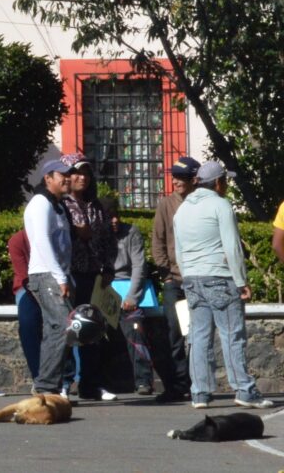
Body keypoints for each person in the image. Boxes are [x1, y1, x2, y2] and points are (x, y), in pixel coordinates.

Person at [174, 160, 273, 410]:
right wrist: (241, 281)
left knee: (198, 337)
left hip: (192, 279)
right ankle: (244, 389)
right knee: (232, 335)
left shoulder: (182, 209)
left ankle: (200, 393)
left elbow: (179, 251)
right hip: (219, 277)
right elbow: (231, 247)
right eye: (225, 181)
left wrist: (188, 277)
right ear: (218, 182)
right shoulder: (221, 205)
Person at [62, 158, 117, 401]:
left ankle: (90, 384)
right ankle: (64, 382)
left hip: (94, 276)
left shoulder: (97, 207)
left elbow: (108, 242)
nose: (82, 177)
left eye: (86, 173)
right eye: (76, 173)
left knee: (94, 330)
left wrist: (109, 268)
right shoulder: (61, 206)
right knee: (69, 329)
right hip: (70, 275)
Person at [24, 155, 76, 396]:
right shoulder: (40, 204)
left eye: (68, 174)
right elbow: (42, 242)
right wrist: (60, 277)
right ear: (48, 178)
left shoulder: (57, 204)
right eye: (62, 175)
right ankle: (46, 386)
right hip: (46, 275)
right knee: (61, 326)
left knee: (57, 328)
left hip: (56, 274)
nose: (68, 179)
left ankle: (51, 385)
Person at [150, 155, 199, 403]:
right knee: (174, 333)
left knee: (199, 333)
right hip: (175, 281)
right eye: (175, 177)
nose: (176, 182)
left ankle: (199, 383)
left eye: (182, 177)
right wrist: (167, 273)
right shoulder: (165, 205)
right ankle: (178, 384)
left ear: (194, 179)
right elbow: (157, 241)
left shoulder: (201, 203)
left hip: (198, 278)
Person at [108, 216, 159, 397]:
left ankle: (143, 380)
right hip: (105, 289)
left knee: (136, 330)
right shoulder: (98, 233)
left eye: (116, 215)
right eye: (109, 216)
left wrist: (132, 296)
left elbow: (139, 265)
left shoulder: (132, 232)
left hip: (129, 289)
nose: (114, 220)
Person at [7, 227, 40, 378]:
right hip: (26, 287)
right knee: (28, 323)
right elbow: (23, 275)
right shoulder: (17, 240)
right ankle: (37, 375)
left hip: (52, 286)